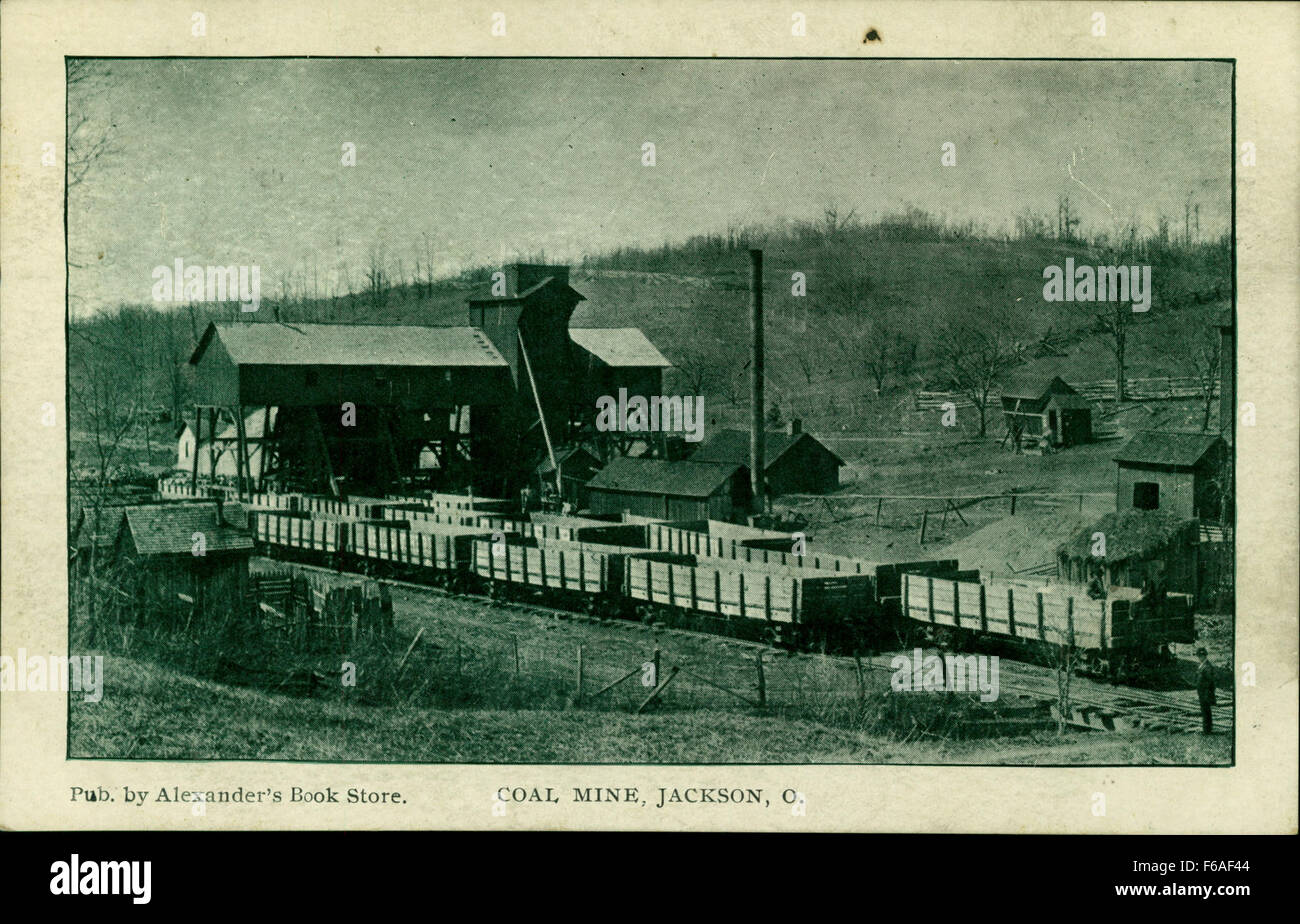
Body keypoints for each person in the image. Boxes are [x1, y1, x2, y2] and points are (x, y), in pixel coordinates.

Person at [1195, 647, 1216, 734]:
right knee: (1205, 711)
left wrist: (1207, 692)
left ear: (1205, 656)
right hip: (1202, 693)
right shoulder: (1202, 665)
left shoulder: (1207, 666)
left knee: (1206, 711)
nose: (1200, 657)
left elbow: (1210, 681)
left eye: (1202, 656)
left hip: (1205, 693)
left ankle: (1207, 730)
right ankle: (1206, 729)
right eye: (1199, 656)